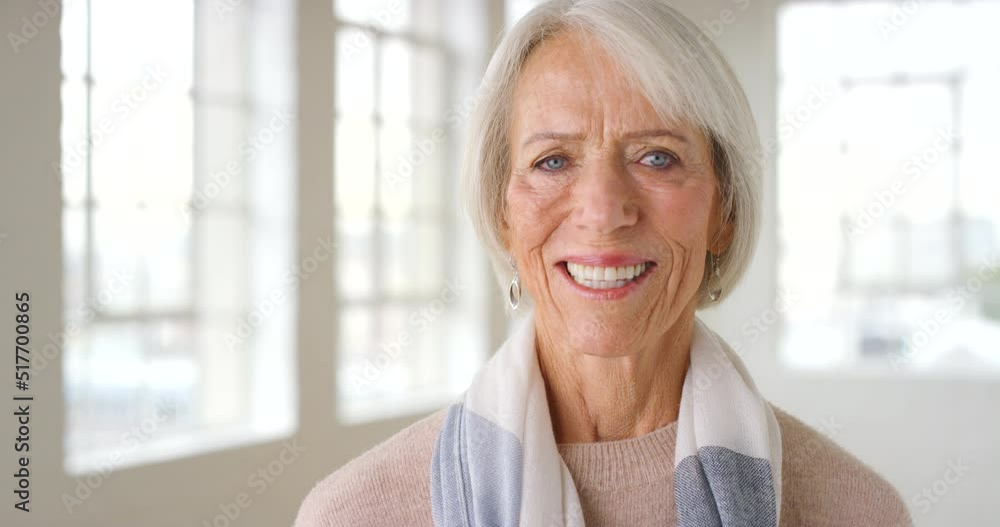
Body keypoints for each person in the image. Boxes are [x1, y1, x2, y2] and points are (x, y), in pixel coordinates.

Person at [296, 1, 912, 525]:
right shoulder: (353, 514)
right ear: (503, 213)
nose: (602, 210)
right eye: (553, 161)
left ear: (723, 210)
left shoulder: (854, 509)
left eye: (658, 158)